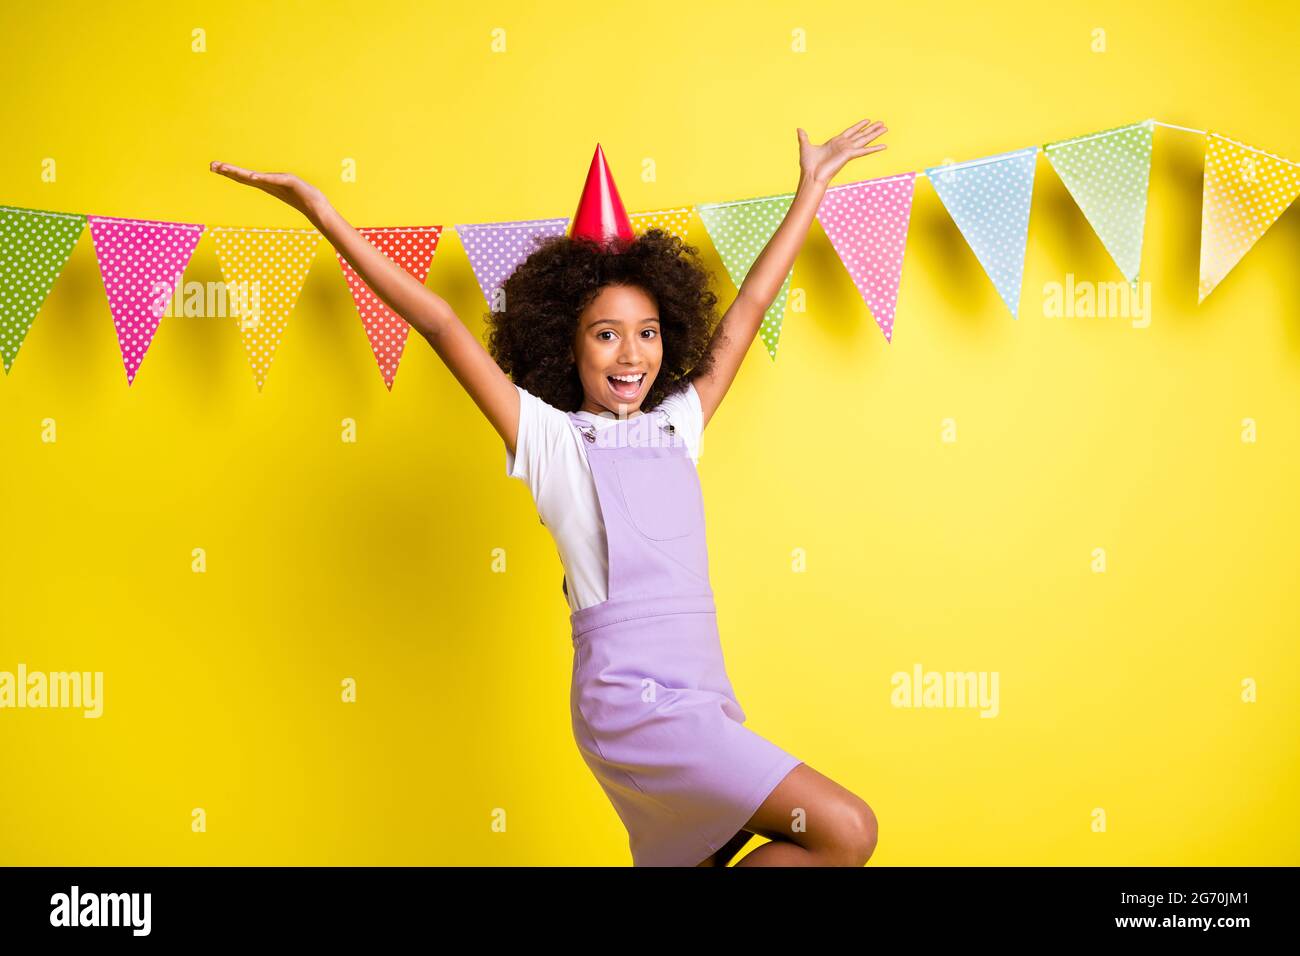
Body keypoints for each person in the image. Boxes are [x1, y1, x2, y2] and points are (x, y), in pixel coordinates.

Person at [210, 117, 888, 866]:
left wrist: (812, 187)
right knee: (845, 830)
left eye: (648, 331)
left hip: (703, 692)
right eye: (605, 334)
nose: (632, 354)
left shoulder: (677, 425)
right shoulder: (553, 442)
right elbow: (439, 323)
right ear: (565, 342)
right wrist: (324, 215)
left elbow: (752, 305)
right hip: (634, 705)